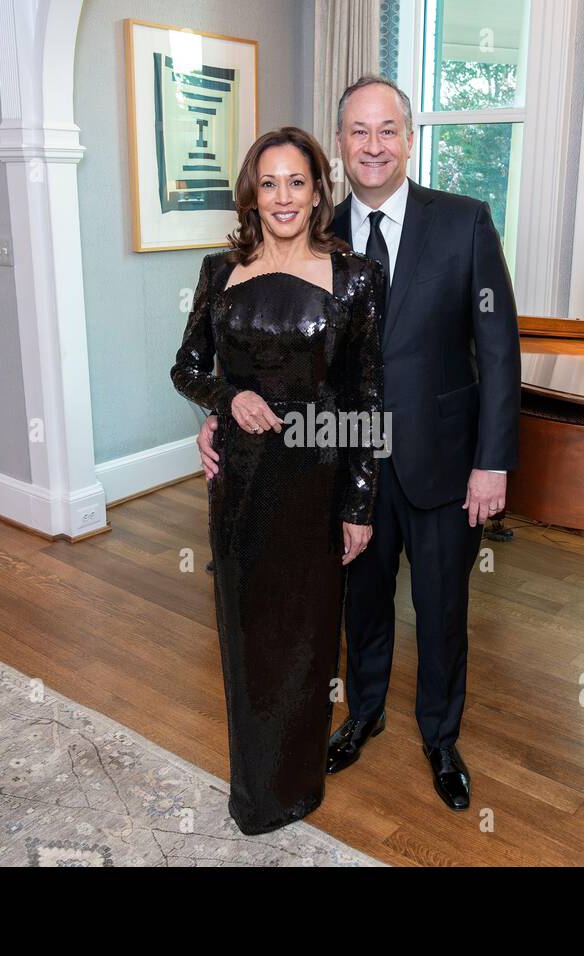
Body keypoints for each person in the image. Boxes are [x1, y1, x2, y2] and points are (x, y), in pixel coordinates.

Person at [197, 77, 521, 812]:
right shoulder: (312, 231)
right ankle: (364, 713)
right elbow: (267, 357)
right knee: (361, 609)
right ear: (339, 147)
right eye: (357, 132)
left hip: (442, 465)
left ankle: (441, 738)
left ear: (408, 139)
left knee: (441, 612)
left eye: (387, 130)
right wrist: (218, 412)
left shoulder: (464, 222)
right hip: (343, 469)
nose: (373, 145)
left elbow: (499, 351)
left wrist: (492, 460)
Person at [170, 126, 385, 835]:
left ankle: (296, 785)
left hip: (319, 480)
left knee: (308, 635)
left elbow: (366, 400)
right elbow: (188, 367)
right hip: (242, 484)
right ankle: (255, 787)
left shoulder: (355, 277)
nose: (283, 196)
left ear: (319, 191)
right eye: (269, 183)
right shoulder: (218, 273)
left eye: (297, 182)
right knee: (244, 630)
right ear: (251, 194)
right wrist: (224, 401)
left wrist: (358, 504)